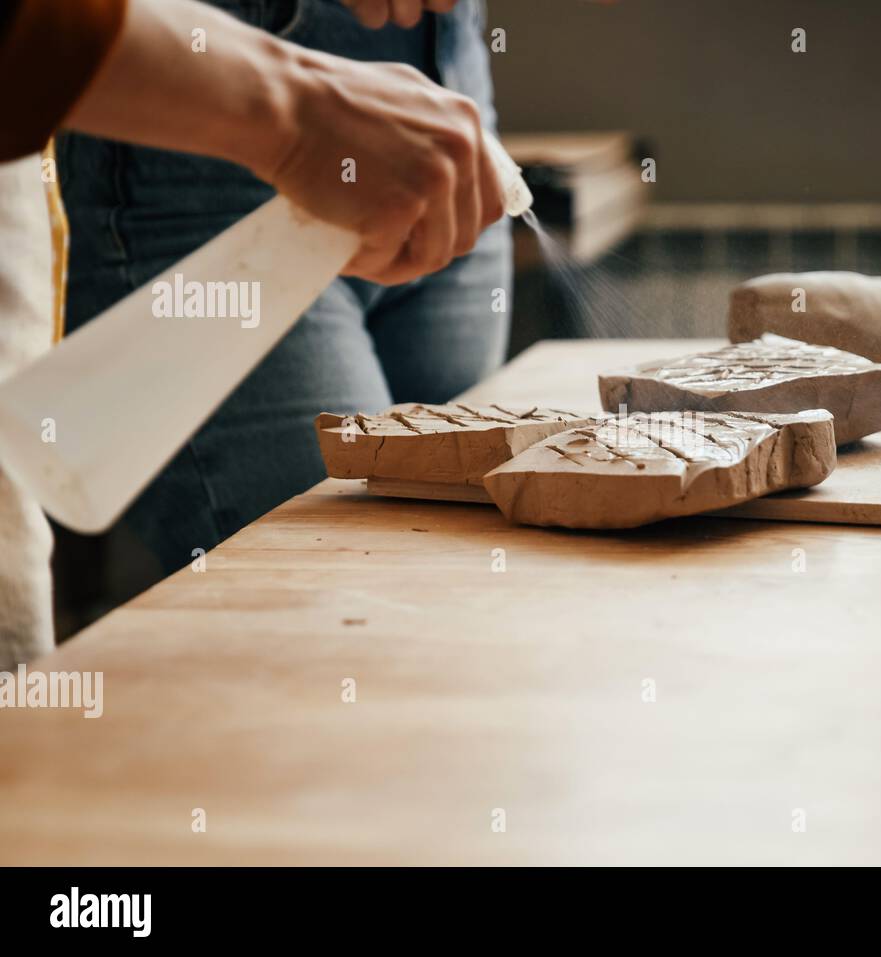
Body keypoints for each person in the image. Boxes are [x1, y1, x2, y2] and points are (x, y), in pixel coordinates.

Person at [0, 0, 507, 669]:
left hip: (441, 103)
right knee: (358, 656)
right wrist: (294, 109)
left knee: (460, 633)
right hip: (198, 135)